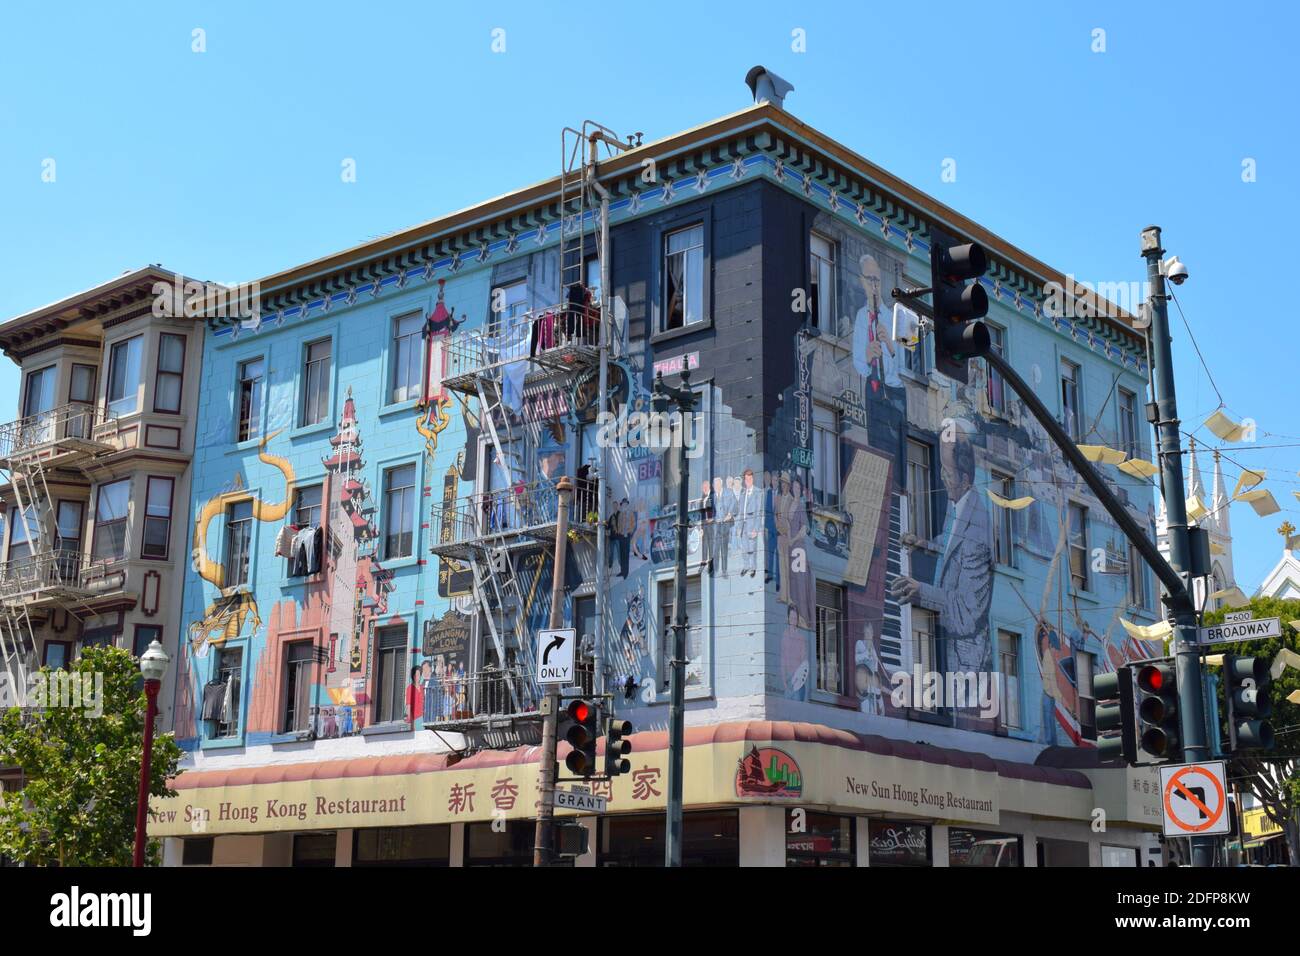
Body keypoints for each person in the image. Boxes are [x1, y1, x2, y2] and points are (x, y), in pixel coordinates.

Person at [888, 422, 993, 675]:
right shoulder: (958, 501)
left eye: (947, 472)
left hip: (964, 661)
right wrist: (924, 544)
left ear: (964, 479)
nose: (942, 477)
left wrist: (921, 592)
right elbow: (951, 543)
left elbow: (966, 613)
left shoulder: (977, 534)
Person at [738, 469, 760, 576]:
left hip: (752, 525)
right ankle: (746, 566)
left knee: (752, 548)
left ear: (753, 479)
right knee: (744, 548)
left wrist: (756, 528)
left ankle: (753, 568)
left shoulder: (758, 492)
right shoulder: (743, 493)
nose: (748, 481)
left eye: (750, 479)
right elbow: (740, 511)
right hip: (743, 525)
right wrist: (739, 527)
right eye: (746, 479)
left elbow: (759, 512)